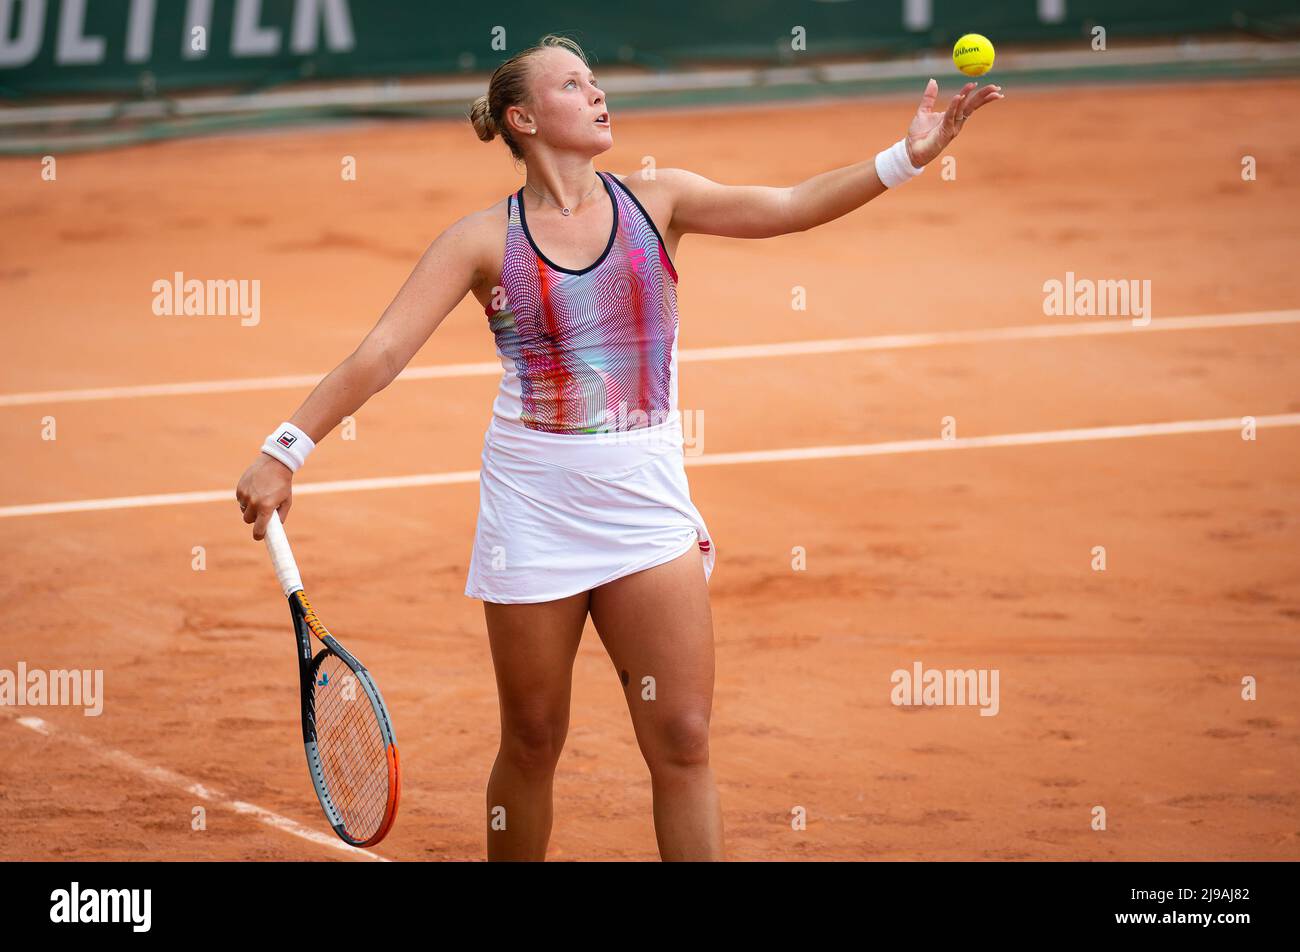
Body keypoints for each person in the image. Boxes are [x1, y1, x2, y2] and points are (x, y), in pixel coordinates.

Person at [235, 34, 1002, 861]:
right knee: (532, 741)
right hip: (533, 510)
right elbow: (381, 353)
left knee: (684, 733)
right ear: (522, 118)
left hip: (643, 505)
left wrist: (906, 156)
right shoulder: (479, 240)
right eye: (574, 85)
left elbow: (788, 205)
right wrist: (287, 449)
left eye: (596, 82)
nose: (598, 94)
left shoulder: (658, 200)